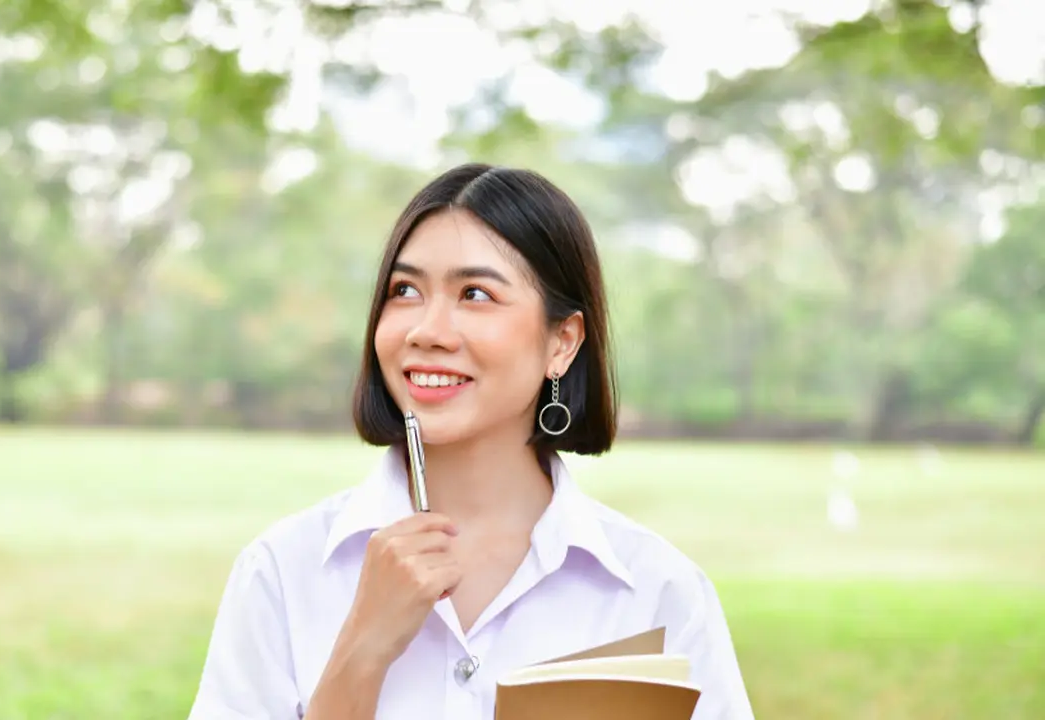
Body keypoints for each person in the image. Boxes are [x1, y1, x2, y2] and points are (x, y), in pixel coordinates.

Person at [188, 163, 754, 720]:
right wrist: (361, 651)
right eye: (404, 290)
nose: (426, 331)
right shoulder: (282, 573)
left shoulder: (659, 592)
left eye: (475, 294)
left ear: (562, 341)